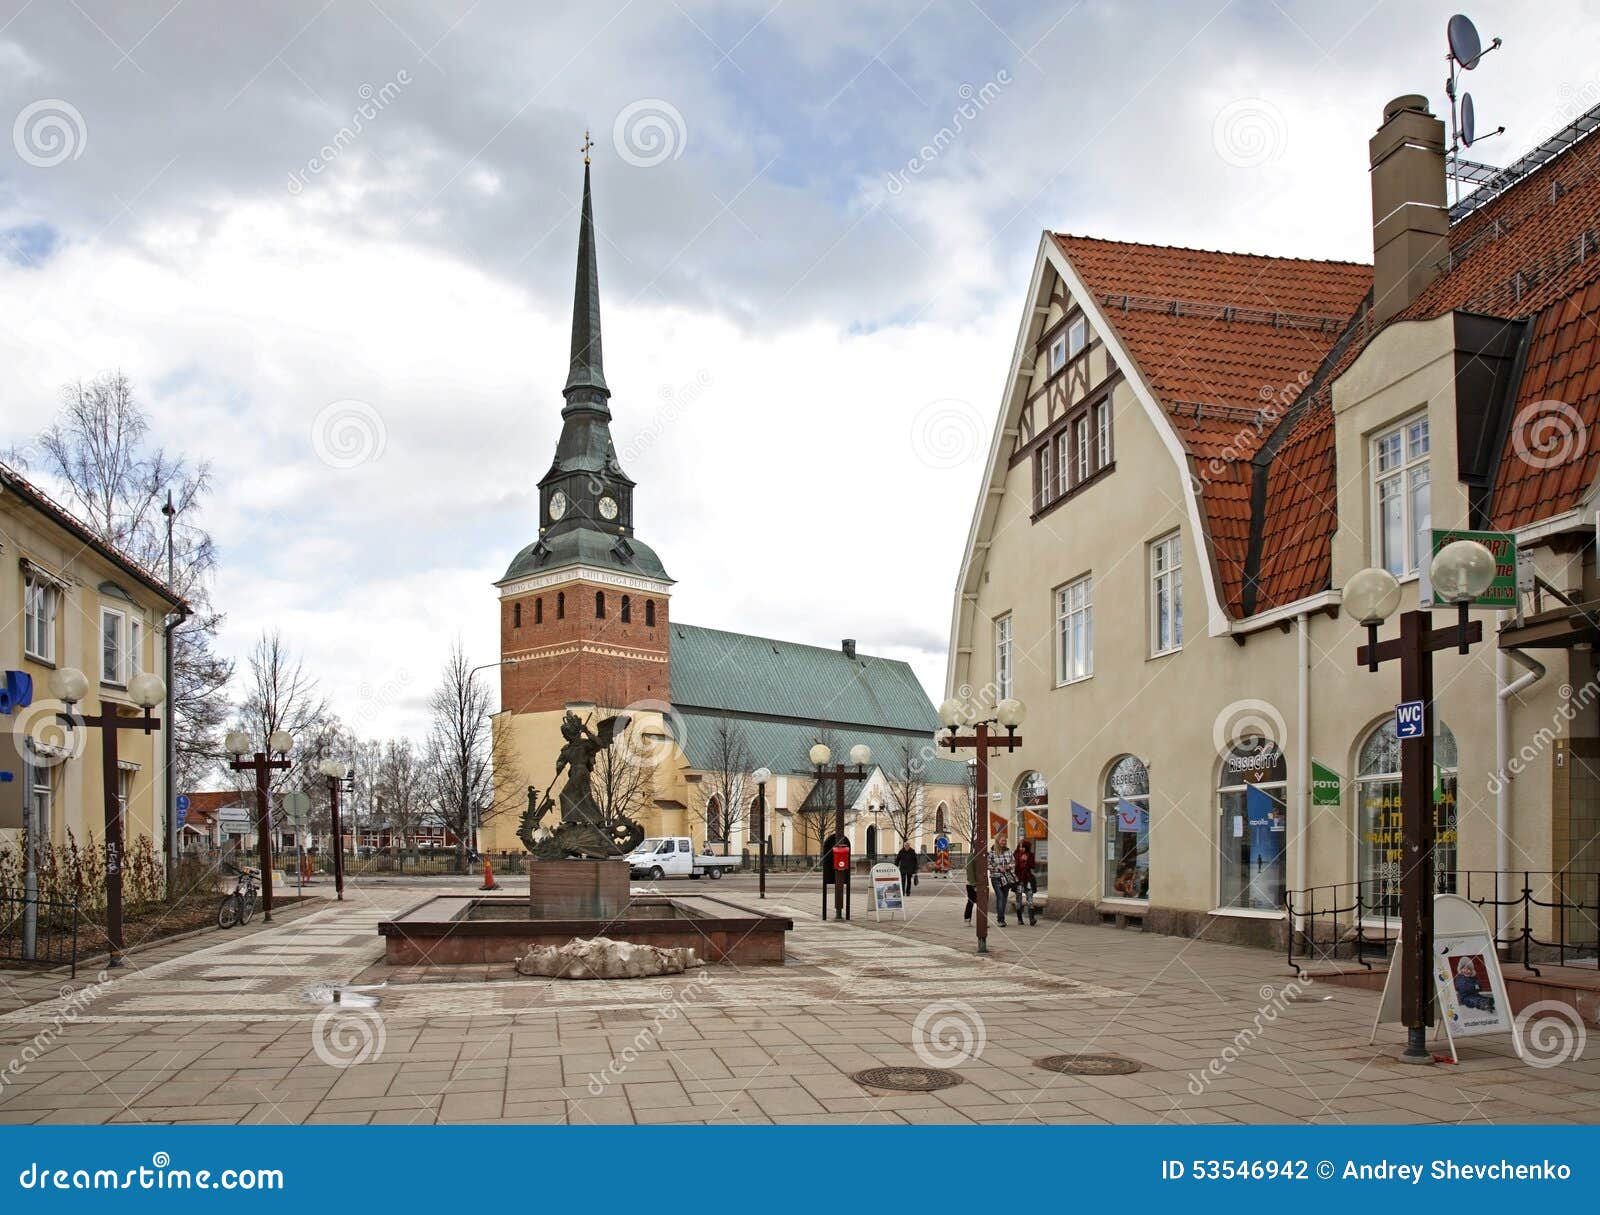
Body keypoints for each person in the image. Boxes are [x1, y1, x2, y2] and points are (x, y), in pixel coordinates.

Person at [1013, 840, 1039, 925]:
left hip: (1027, 879)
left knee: (1030, 898)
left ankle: (1032, 919)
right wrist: (1021, 860)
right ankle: (1020, 919)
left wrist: (1027, 861)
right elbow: (1014, 867)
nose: (1021, 848)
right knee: (1018, 900)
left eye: (1023, 847)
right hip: (1019, 880)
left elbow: (1033, 866)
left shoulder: (1030, 855)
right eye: (1020, 847)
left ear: (1027, 847)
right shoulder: (1015, 854)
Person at [989, 845, 1016, 926]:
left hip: (1006, 878)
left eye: (1005, 841)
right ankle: (1001, 919)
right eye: (1002, 840)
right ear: (997, 841)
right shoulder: (991, 853)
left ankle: (1001, 918)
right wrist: (998, 867)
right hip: (996, 877)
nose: (1004, 842)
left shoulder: (1009, 852)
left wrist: (1009, 866)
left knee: (1004, 898)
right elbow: (987, 864)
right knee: (1000, 897)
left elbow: (1014, 862)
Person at [963, 850, 978, 921]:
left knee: (979, 902)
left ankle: (981, 920)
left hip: (978, 883)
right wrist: (974, 884)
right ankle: (967, 917)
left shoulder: (979, 855)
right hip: (971, 883)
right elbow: (970, 871)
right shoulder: (971, 856)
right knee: (971, 901)